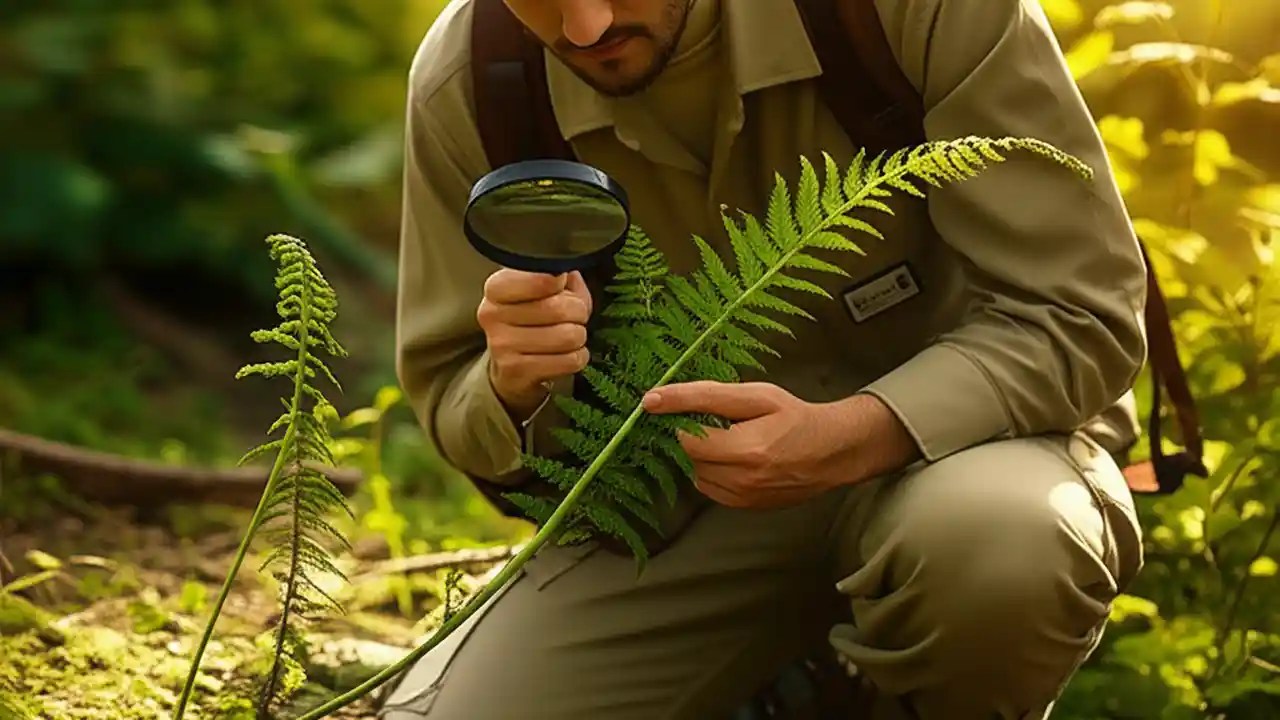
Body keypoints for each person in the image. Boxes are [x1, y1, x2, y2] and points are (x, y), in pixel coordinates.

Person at [387, 0, 1149, 717]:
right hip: (686, 519)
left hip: (968, 457)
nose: (585, 27)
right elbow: (455, 397)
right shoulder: (475, 79)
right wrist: (515, 387)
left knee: (1002, 557)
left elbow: (1081, 311)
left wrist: (858, 432)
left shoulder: (908, 12)